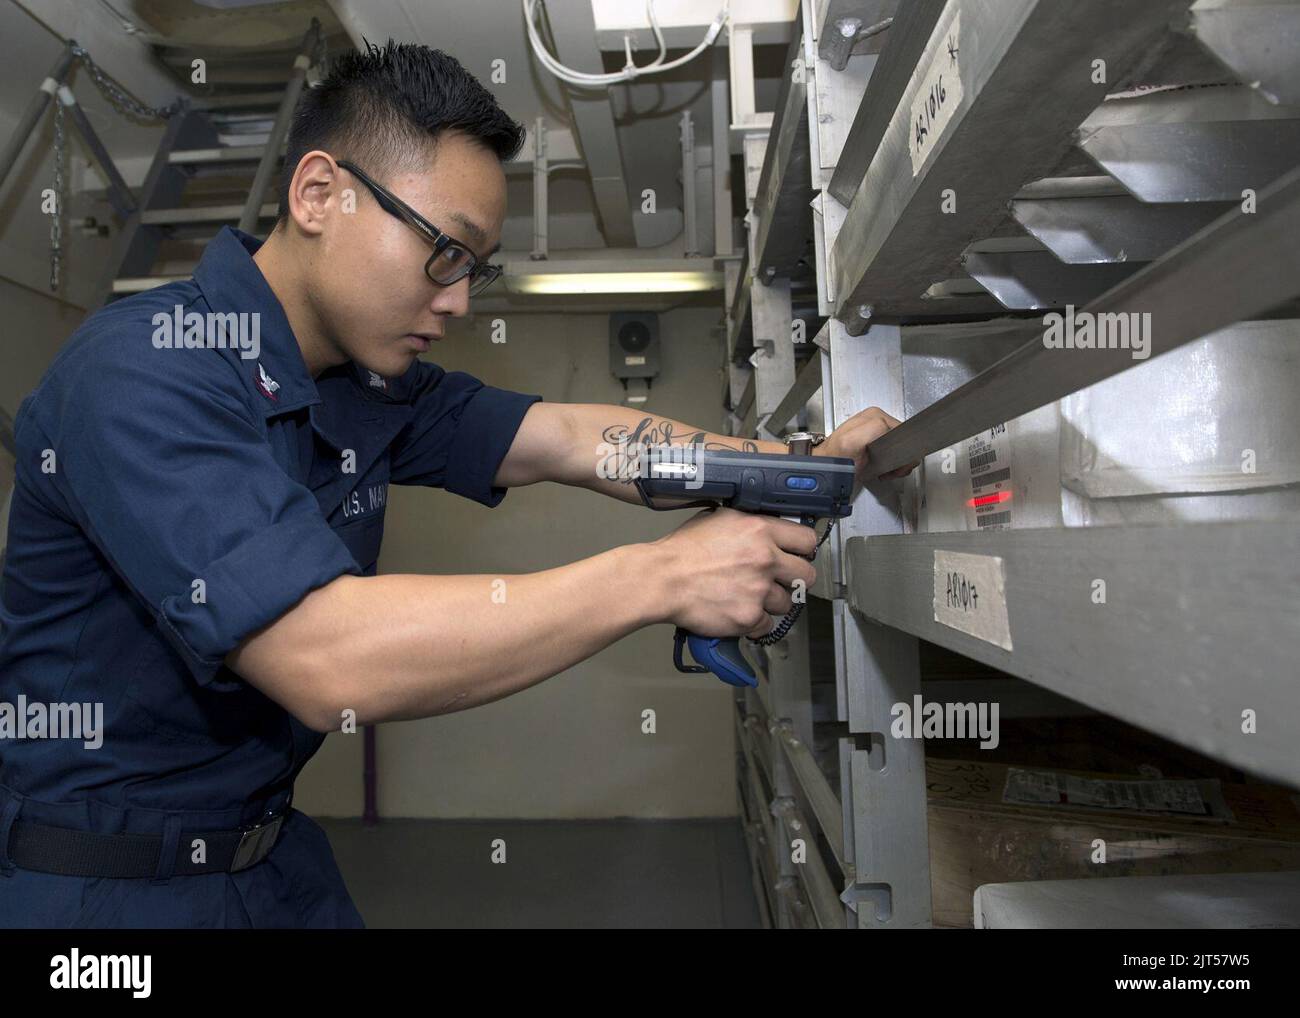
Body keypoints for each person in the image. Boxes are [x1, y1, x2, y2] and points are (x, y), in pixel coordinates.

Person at [0, 41, 907, 928]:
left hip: (266, 857)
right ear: (319, 194)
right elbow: (325, 659)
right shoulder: (143, 371)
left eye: (477, 267)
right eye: (446, 251)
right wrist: (665, 576)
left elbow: (569, 438)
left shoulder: (366, 383)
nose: (461, 300)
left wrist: (791, 471)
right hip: (101, 886)